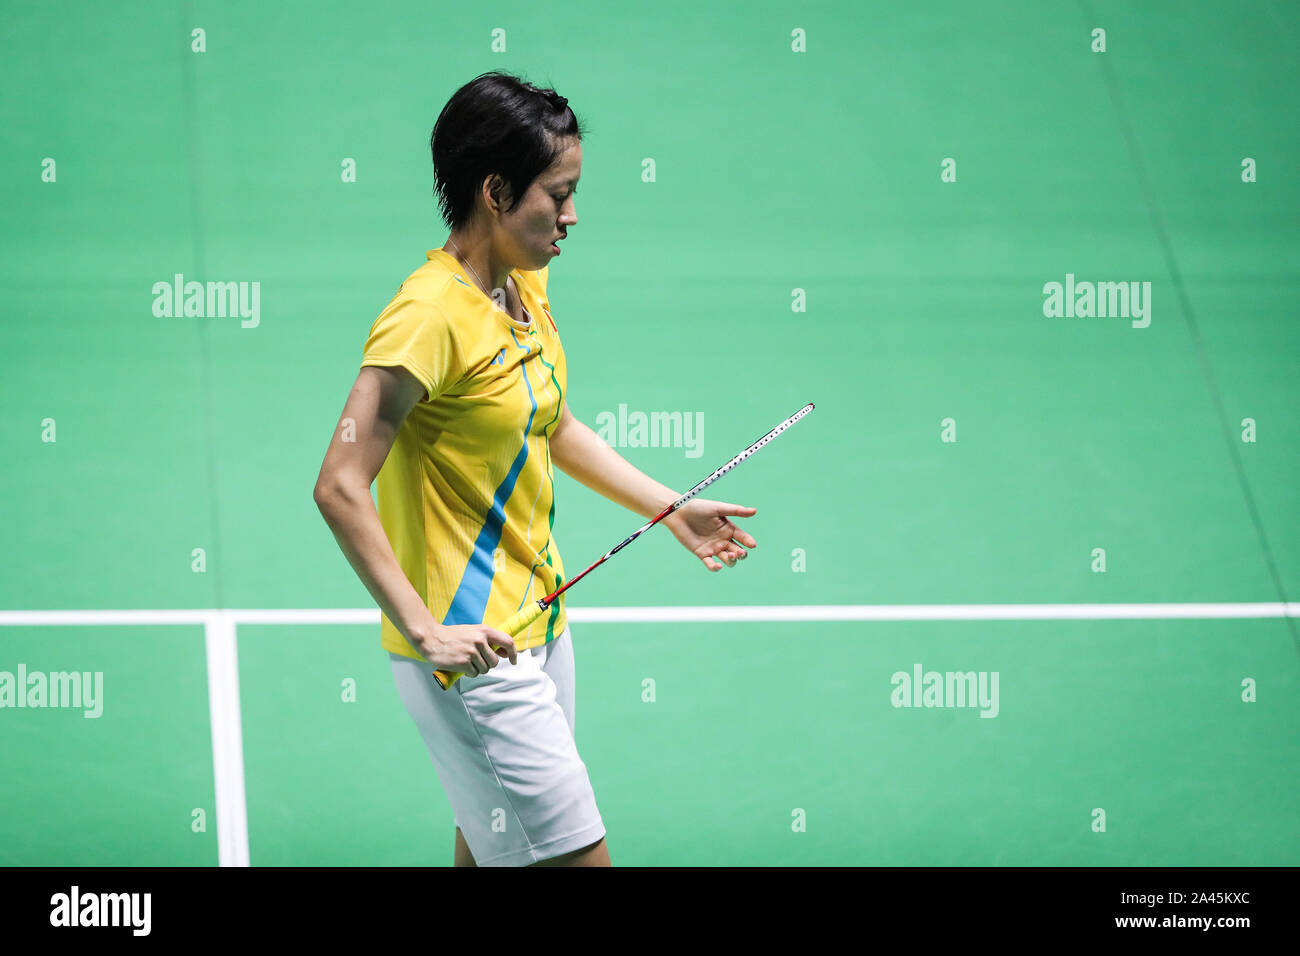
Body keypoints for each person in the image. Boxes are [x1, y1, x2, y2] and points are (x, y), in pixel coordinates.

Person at [312, 71, 758, 867]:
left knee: (493, 846)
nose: (573, 215)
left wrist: (670, 509)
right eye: (559, 194)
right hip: (475, 648)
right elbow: (339, 482)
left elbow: (549, 427)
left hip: (541, 623)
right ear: (495, 191)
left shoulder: (522, 284)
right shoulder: (428, 316)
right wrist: (425, 628)